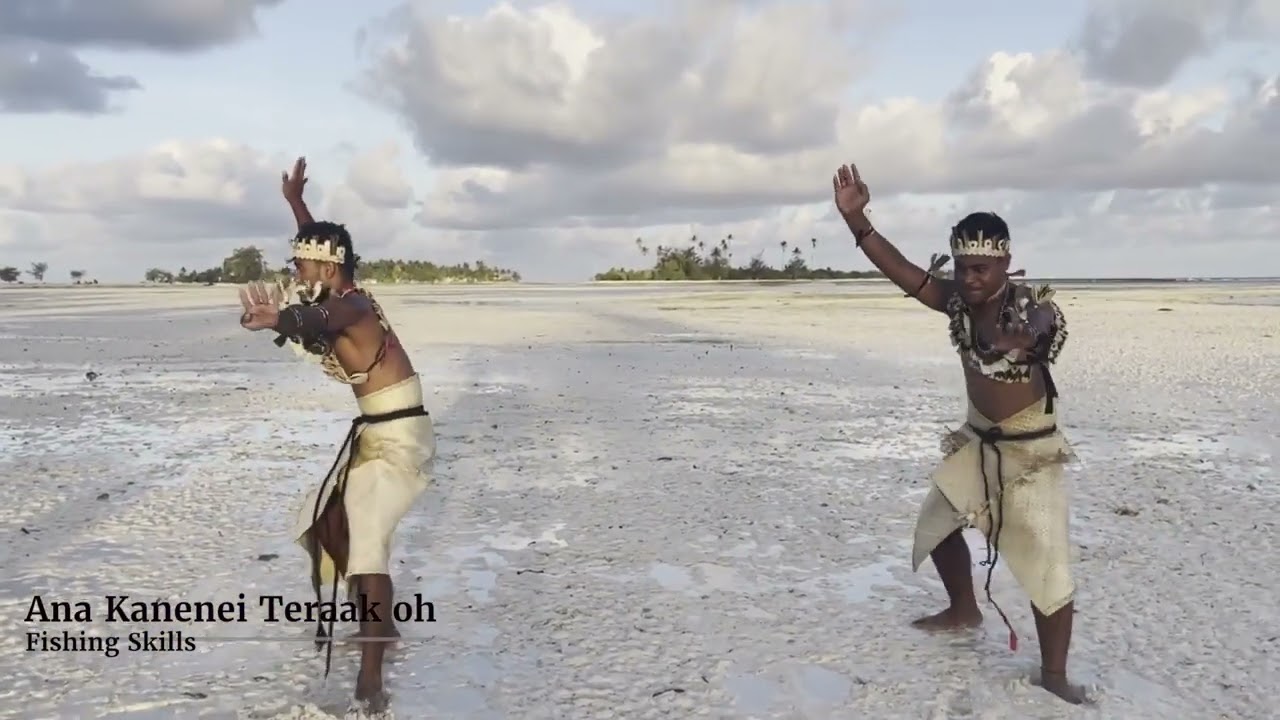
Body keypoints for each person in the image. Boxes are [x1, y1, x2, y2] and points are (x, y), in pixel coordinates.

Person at [831, 163, 1084, 704]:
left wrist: (1025, 341)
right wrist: (858, 223)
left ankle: (1056, 675)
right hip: (977, 441)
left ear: (1006, 264)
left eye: (982, 270)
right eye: (965, 267)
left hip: (1029, 450)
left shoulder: (1030, 306)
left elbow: (1043, 325)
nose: (971, 279)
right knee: (938, 522)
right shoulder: (955, 302)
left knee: (1046, 563)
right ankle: (964, 608)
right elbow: (906, 273)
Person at [237, 157, 436, 712]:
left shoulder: (348, 306)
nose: (297, 273)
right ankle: (386, 629)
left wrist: (278, 321)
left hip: (398, 439)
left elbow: (315, 322)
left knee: (368, 551)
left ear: (328, 269)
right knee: (331, 525)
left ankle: (370, 681)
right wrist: (296, 204)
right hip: (379, 431)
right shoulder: (336, 289)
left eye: (303, 266)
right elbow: (321, 256)